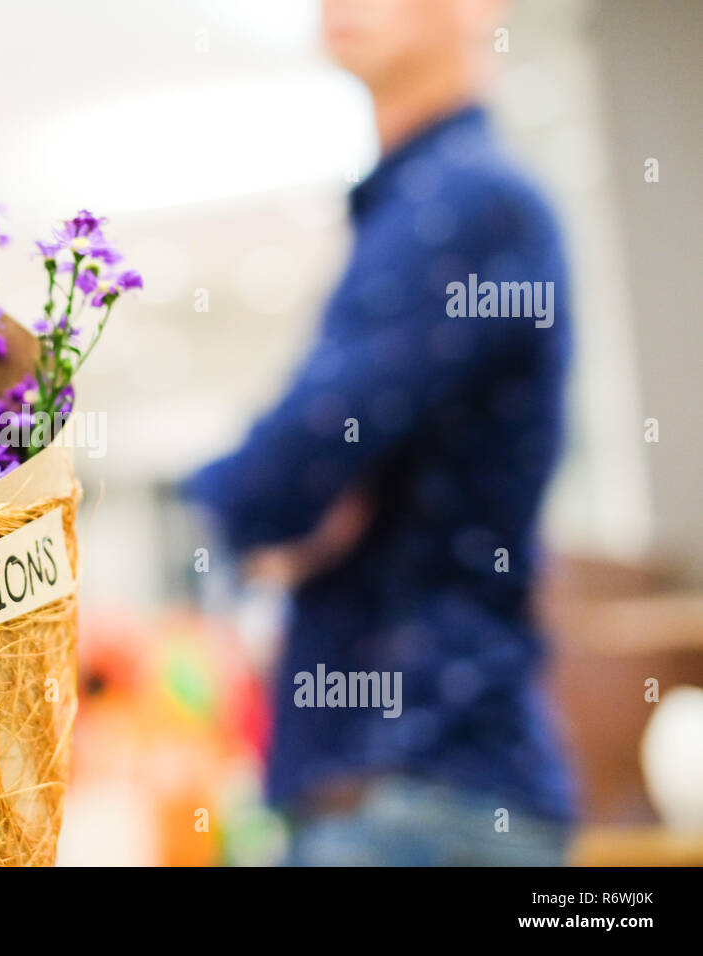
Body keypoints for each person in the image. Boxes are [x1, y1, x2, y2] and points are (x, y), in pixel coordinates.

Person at [182, 0, 575, 865]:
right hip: (403, 788)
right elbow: (300, 477)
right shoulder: (416, 211)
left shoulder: (468, 204)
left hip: (421, 787)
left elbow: (281, 474)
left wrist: (263, 499)